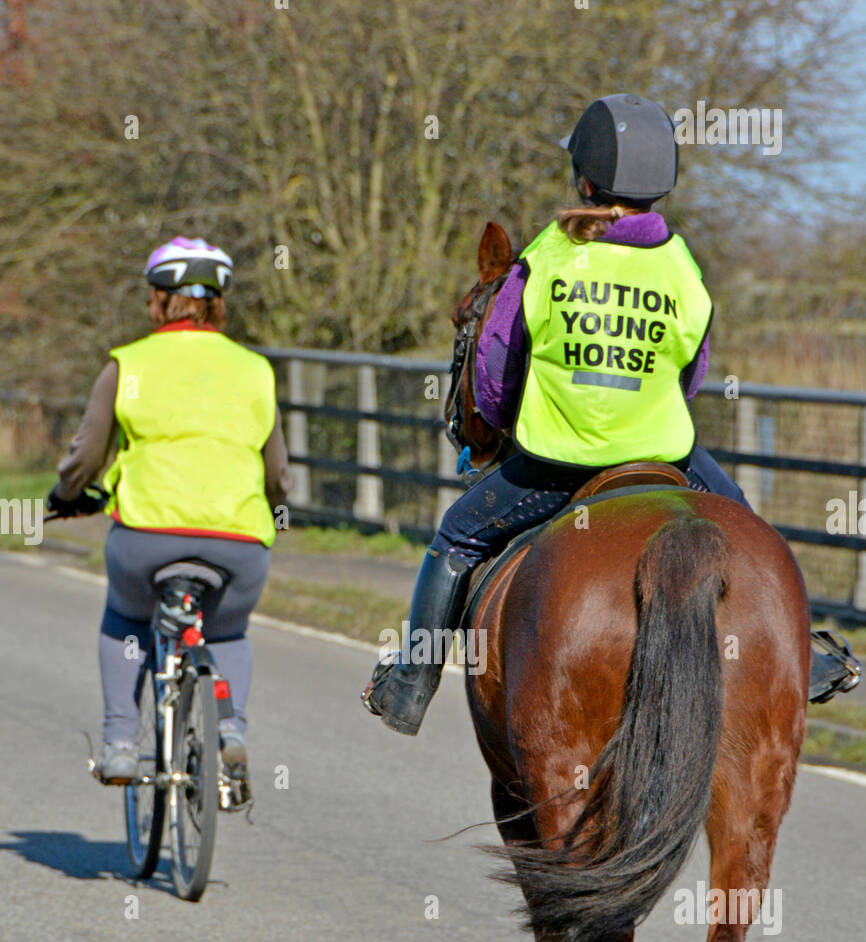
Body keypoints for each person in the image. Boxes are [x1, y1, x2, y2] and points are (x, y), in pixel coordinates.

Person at [364, 93, 857, 734]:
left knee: (454, 540)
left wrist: (510, 416)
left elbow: (494, 369)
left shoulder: (544, 258)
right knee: (746, 531)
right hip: (663, 454)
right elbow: (694, 371)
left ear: (585, 180)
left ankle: (408, 684)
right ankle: (804, 656)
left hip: (555, 464)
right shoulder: (682, 268)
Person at [48, 236, 291, 785]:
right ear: (218, 303)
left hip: (146, 537)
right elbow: (277, 474)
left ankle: (117, 744)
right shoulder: (255, 370)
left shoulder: (127, 364)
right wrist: (273, 510)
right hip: (238, 544)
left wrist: (66, 497)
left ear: (159, 301)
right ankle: (231, 733)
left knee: (124, 620)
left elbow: (85, 458)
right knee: (226, 633)